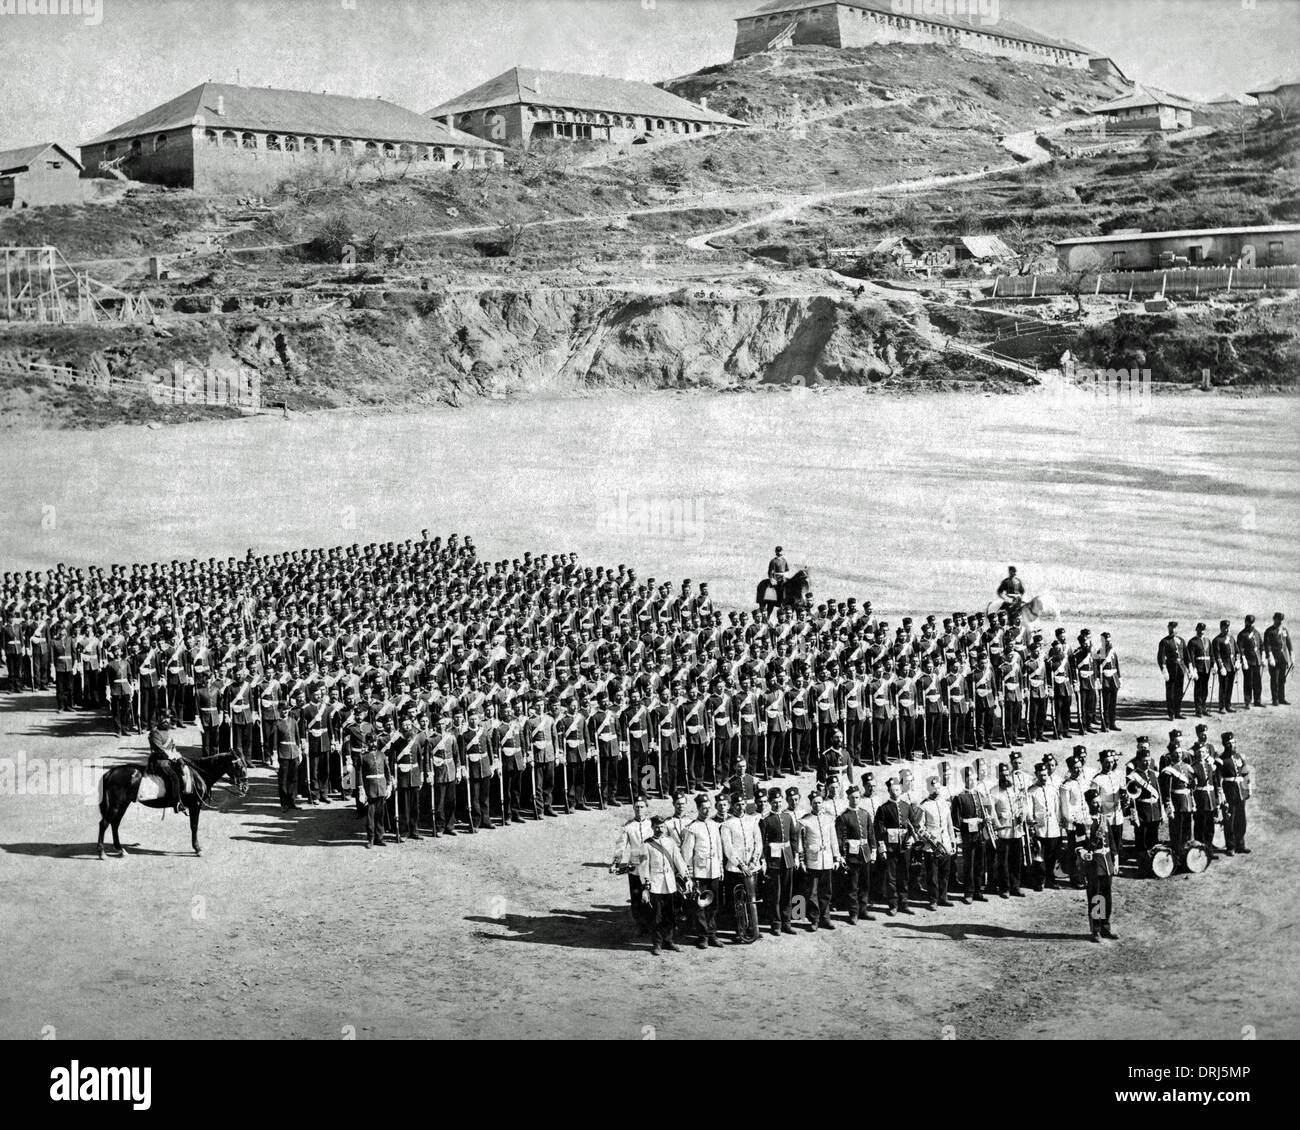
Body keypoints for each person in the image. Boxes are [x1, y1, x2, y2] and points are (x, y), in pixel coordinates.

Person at [639, 816, 691, 956]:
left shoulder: (670, 842)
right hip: (655, 885)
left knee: (671, 914)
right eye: (656, 826)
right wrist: (646, 887)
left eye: (662, 826)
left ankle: (669, 940)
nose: (660, 829)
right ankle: (657, 943)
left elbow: (678, 860)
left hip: (670, 884)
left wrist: (686, 877)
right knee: (656, 916)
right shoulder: (647, 845)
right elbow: (644, 867)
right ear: (652, 828)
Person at [680, 793, 725, 949]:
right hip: (699, 872)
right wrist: (689, 877)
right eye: (703, 808)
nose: (706, 811)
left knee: (714, 905)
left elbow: (718, 847)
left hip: (714, 872)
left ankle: (712, 934)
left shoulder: (714, 825)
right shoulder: (691, 828)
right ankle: (702, 936)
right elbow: (687, 854)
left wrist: (720, 867)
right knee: (700, 906)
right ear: (698, 809)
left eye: (708, 808)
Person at [798, 788, 840, 930]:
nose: (818, 805)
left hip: (827, 860)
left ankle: (826, 918)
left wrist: (836, 858)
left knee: (826, 891)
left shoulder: (829, 819)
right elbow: (801, 843)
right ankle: (814, 919)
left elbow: (834, 840)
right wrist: (802, 860)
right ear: (811, 804)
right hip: (813, 860)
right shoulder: (806, 821)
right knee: (813, 892)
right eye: (815, 803)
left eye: (820, 802)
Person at [1078, 789, 1117, 942]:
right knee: (1096, 897)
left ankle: (1106, 927)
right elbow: (1079, 843)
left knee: (1107, 897)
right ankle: (1096, 930)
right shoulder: (1083, 821)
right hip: (1093, 864)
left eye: (1099, 802)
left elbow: (1112, 840)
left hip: (1106, 862)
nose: (1098, 805)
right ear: (1088, 803)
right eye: (1094, 802)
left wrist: (1115, 858)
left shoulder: (1104, 819)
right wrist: (1083, 853)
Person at [759, 787, 798, 936]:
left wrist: (795, 855)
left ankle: (787, 922)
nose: (777, 805)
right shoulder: (766, 820)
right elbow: (762, 842)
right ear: (769, 802)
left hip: (787, 859)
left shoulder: (788, 817)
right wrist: (763, 860)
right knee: (775, 893)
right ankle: (775, 923)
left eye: (780, 802)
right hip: (773, 861)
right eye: (774, 802)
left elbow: (793, 837)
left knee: (787, 892)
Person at [611, 798, 654, 933]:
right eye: (636, 807)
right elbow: (621, 846)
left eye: (642, 807)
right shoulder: (628, 826)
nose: (639, 810)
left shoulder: (653, 824)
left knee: (652, 894)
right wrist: (616, 863)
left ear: (647, 808)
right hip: (635, 865)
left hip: (651, 864)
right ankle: (641, 925)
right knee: (636, 897)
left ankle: (652, 923)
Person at [836, 784, 877, 923]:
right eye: (852, 797)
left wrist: (874, 849)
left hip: (865, 853)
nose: (855, 800)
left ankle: (863, 910)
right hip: (852, 855)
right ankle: (853, 912)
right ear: (848, 798)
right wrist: (842, 855)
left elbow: (871, 833)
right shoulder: (843, 817)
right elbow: (840, 838)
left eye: (857, 797)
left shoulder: (865, 814)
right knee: (853, 885)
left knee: (865, 884)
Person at [874, 777, 915, 916]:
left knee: (904, 875)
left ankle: (904, 903)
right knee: (891, 877)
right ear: (888, 791)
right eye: (892, 790)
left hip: (905, 847)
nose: (895, 793)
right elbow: (879, 830)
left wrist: (911, 839)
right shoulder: (883, 809)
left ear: (901, 790)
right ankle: (893, 904)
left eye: (897, 790)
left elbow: (913, 826)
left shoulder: (907, 806)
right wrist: (882, 849)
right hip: (891, 848)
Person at [916, 775, 954, 908]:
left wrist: (952, 840)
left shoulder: (945, 803)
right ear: (928, 788)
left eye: (938, 788)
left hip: (946, 844)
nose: (936, 791)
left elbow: (949, 824)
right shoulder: (924, 806)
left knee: (944, 873)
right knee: (932, 874)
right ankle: (933, 900)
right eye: (934, 788)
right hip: (931, 847)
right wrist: (931, 840)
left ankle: (943, 897)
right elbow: (919, 827)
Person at [989, 763, 1025, 898]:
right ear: (998, 776)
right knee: (1003, 862)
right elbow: (992, 813)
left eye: (1007, 774)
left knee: (1016, 860)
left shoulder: (1015, 789)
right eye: (1002, 775)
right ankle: (1005, 888)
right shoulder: (994, 792)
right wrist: (998, 825)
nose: (1005, 777)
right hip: (1003, 832)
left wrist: (1022, 814)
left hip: (1016, 830)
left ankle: (1016, 886)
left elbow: (1022, 805)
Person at [1026, 761, 1063, 891]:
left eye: (1045, 775)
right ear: (1036, 774)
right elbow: (1029, 809)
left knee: (1052, 855)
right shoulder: (1031, 791)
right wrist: (1031, 821)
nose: (1043, 777)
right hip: (1039, 828)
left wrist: (1059, 822)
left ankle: (1050, 880)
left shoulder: (1052, 789)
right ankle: (1039, 881)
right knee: (1039, 855)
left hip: (1053, 827)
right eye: (1040, 775)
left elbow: (1057, 807)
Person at [1218, 733, 1250, 855]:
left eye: (1233, 743)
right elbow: (1218, 779)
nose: (1232, 746)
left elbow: (1245, 772)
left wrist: (1247, 789)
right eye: (1228, 744)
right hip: (1229, 791)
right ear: (1224, 745)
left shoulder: (1239, 757)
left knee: (1241, 818)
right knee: (1230, 818)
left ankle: (1240, 844)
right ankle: (1230, 846)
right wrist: (1221, 796)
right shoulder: (1221, 760)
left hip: (1240, 791)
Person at [147, 717, 188, 814]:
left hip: (169, 760)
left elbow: (174, 750)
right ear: (159, 723)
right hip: (159, 761)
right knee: (174, 777)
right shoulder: (155, 733)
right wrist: (172, 757)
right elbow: (160, 750)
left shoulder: (168, 735)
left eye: (168, 722)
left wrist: (180, 759)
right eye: (164, 721)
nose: (166, 723)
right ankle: (177, 803)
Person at [359, 735, 391, 848]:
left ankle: (379, 837)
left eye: (374, 741)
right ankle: (370, 838)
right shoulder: (363, 757)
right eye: (371, 742)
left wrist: (389, 785)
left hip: (381, 787)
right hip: (370, 789)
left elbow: (387, 771)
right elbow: (360, 775)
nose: (373, 744)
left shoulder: (382, 755)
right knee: (370, 815)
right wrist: (361, 789)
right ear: (367, 743)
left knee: (380, 814)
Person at [1156, 621, 1188, 721]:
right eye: (1170, 628)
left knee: (1179, 691)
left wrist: (1190, 668)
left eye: (1174, 628)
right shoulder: (1164, 641)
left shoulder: (1182, 640)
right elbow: (1161, 657)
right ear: (1168, 628)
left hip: (1181, 668)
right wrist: (1164, 671)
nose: (1172, 630)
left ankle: (1178, 711)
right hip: (1171, 669)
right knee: (1170, 692)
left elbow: (1186, 656)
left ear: (1177, 629)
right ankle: (1171, 713)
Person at [1264, 612, 1292, 706]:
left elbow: (1288, 643)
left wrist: (1292, 656)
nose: (1280, 622)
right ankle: (1275, 699)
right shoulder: (1269, 631)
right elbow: (1267, 645)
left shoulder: (1284, 630)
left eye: (1281, 620)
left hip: (1283, 658)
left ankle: (1281, 698)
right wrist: (1270, 657)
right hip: (1274, 659)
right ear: (1274, 619)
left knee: (1282, 679)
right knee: (1274, 679)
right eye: (1278, 619)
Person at [1186, 623, 1214, 718]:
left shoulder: (1207, 641)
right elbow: (1191, 657)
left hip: (1207, 667)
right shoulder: (1192, 642)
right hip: (1198, 668)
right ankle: (1198, 709)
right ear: (1196, 629)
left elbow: (1211, 654)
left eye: (1203, 630)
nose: (1202, 631)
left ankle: (1204, 707)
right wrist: (1193, 669)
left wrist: (1213, 666)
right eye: (1200, 629)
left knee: (1205, 688)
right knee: (1198, 689)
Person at [1237, 616, 1264, 708]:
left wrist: (1262, 656)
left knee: (1257, 682)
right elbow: (1240, 649)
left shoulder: (1256, 633)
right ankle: (1247, 701)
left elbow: (1261, 645)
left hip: (1257, 660)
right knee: (1248, 682)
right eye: (1250, 623)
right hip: (1248, 661)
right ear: (1246, 622)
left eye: (1253, 623)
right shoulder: (1242, 634)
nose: (1252, 625)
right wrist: (1243, 659)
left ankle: (1257, 700)